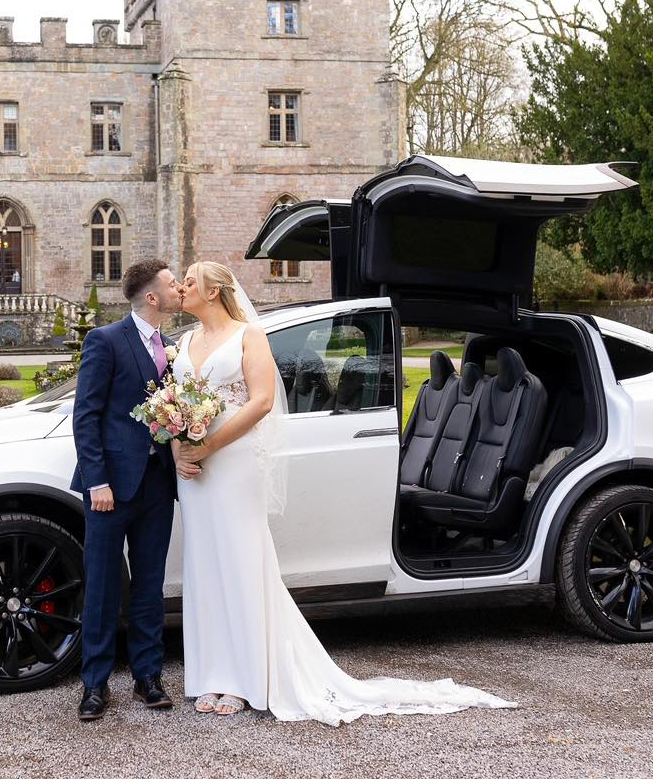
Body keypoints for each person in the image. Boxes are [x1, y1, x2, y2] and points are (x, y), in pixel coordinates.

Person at [171, 260, 518, 725]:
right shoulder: (185, 342)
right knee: (204, 564)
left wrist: (209, 445)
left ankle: (244, 677)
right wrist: (180, 450)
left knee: (238, 560)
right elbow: (174, 404)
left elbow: (262, 401)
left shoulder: (248, 335)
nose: (182, 287)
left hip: (233, 462)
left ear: (214, 290)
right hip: (195, 469)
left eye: (189, 281)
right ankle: (211, 672)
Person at [68, 258, 183, 722]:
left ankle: (147, 676)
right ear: (151, 296)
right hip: (110, 487)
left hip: (158, 482)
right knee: (101, 585)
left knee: (150, 583)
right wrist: (96, 480)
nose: (179, 289)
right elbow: (86, 414)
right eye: (172, 284)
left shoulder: (172, 347)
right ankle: (94, 683)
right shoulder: (106, 340)